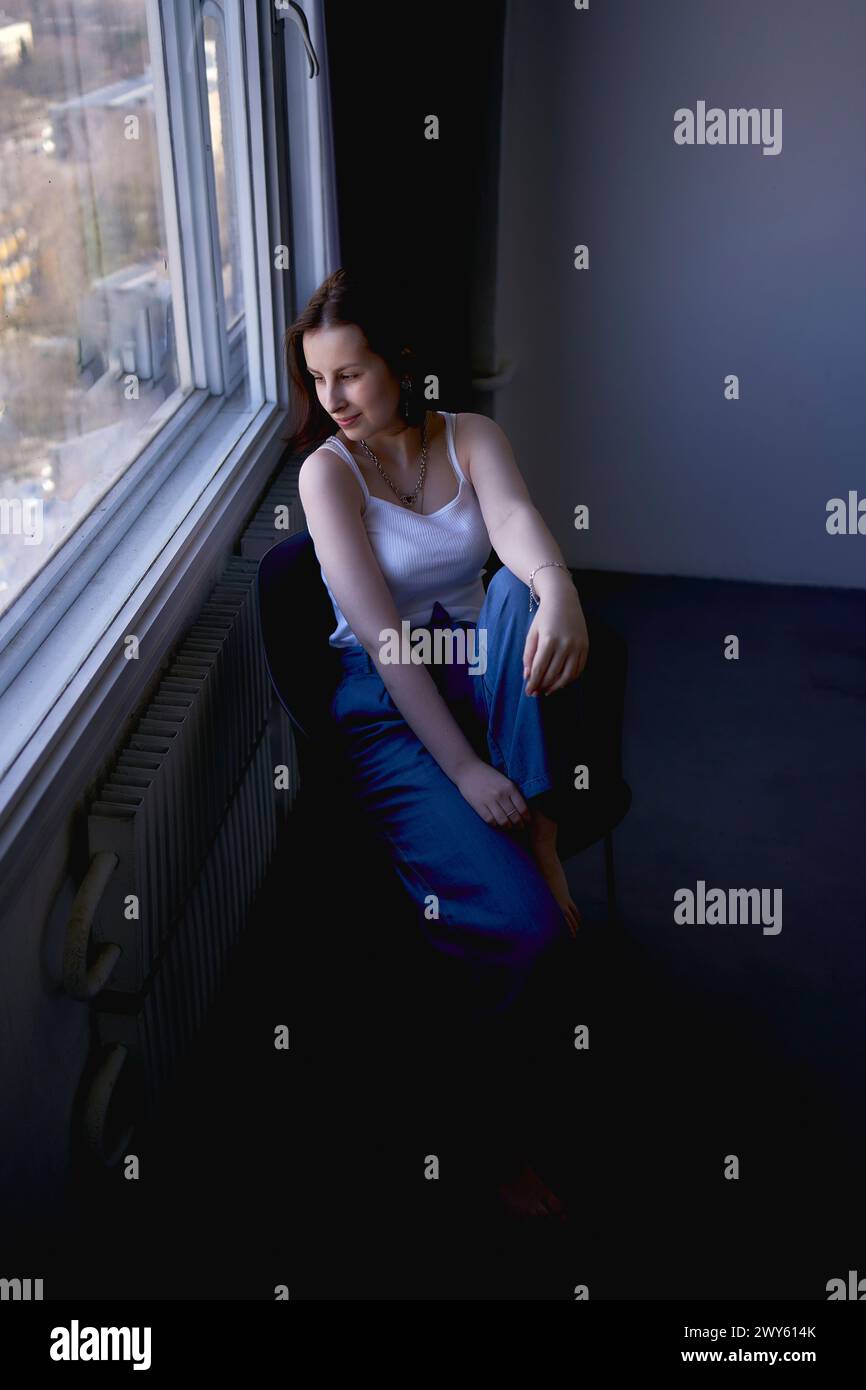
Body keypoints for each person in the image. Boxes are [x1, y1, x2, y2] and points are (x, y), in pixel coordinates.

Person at [285, 265, 589, 1218]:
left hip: (473, 666)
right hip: (387, 701)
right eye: (318, 380)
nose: (331, 401)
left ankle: (538, 824)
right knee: (528, 936)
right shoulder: (326, 474)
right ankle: (489, 1137)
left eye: (352, 376)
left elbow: (516, 525)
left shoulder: (469, 438)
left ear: (401, 366)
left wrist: (560, 588)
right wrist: (459, 768)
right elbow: (381, 637)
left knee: (512, 593)